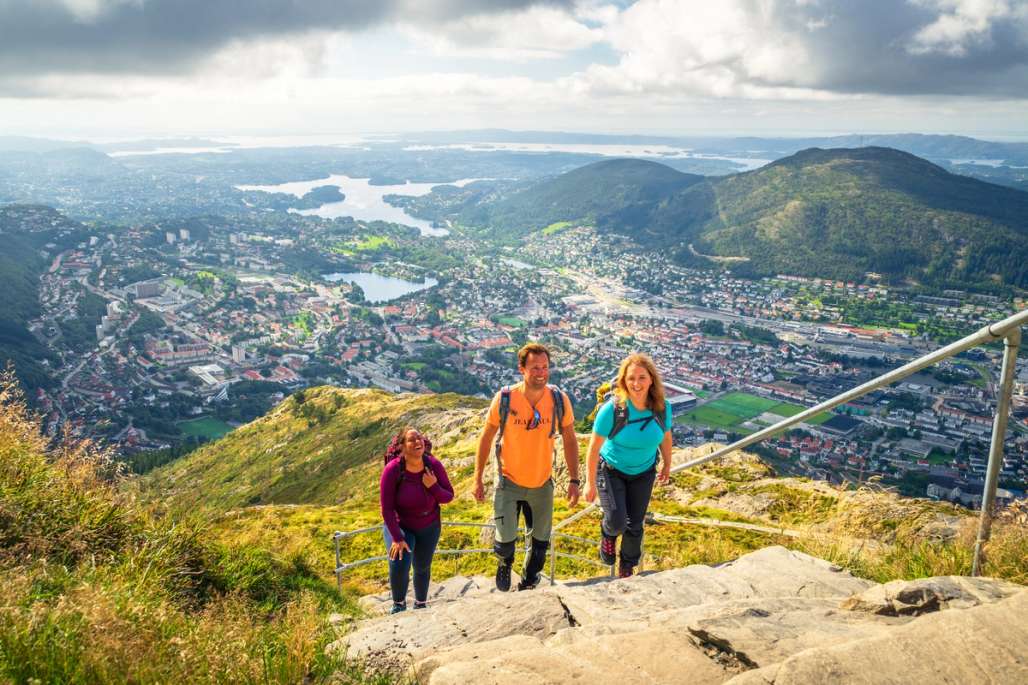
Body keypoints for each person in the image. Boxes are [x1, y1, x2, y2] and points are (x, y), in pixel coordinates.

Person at [474, 342, 580, 592]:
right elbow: (486, 437)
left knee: (540, 544)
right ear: (521, 369)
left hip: (542, 484)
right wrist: (477, 478)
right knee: (504, 541)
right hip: (508, 482)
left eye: (545, 367)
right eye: (535, 368)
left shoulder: (559, 400)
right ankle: (505, 562)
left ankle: (528, 580)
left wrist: (574, 480)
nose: (541, 373)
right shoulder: (505, 398)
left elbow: (570, 439)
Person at [585, 353, 672, 578]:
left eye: (642, 377)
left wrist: (667, 464)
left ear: (651, 379)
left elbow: (665, 436)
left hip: (644, 471)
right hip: (611, 470)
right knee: (617, 522)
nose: (636, 383)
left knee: (635, 524)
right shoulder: (613, 410)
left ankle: (627, 566)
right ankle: (608, 534)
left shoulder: (662, 408)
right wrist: (589, 483)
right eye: (631, 378)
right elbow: (593, 448)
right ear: (624, 381)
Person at [380, 427, 454, 613]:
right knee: (399, 561)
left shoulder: (433, 465)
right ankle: (399, 605)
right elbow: (387, 509)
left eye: (419, 438)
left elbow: (448, 496)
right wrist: (397, 538)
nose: (417, 442)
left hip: (429, 525)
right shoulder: (392, 470)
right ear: (402, 447)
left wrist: (433, 486)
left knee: (422, 566)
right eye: (411, 440)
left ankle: (421, 604)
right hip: (400, 524)